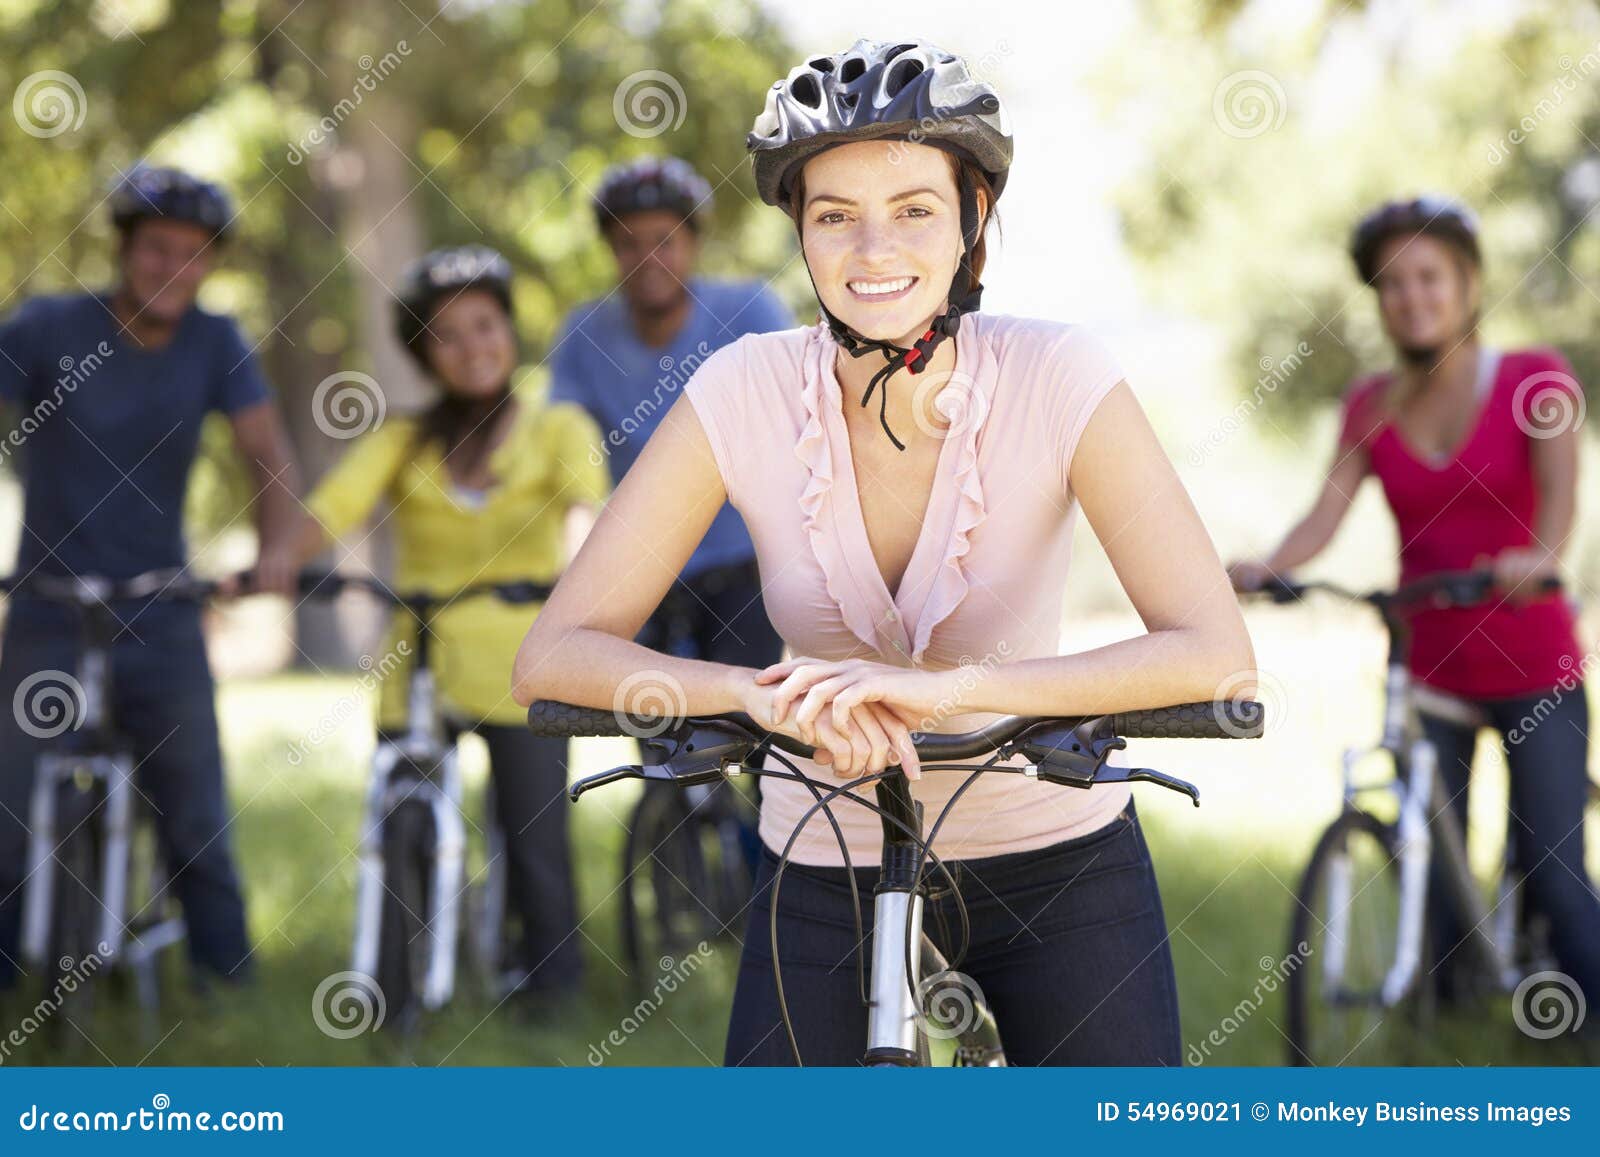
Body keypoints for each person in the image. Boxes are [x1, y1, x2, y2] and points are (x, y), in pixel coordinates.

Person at [514, 39, 1254, 1066]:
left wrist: (947, 691)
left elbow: (1213, 652)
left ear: (971, 222)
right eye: (833, 217)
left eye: (912, 208)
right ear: (800, 234)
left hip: (1054, 853)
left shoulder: (1057, 374)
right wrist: (752, 693)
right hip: (822, 857)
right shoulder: (742, 387)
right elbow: (554, 653)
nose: (872, 250)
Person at [1229, 195, 1600, 1017]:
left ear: (1468, 283)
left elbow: (1560, 510)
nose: (1411, 296)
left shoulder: (1537, 378)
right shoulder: (1371, 405)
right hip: (1426, 665)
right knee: (1430, 870)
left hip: (1533, 665)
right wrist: (1265, 567)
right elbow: (1322, 515)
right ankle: (1449, 1031)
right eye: (1391, 283)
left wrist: (1534, 559)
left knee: (1555, 874)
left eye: (1429, 276)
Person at [0, 164, 303, 992]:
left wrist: (277, 547)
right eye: (156, 249)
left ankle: (224, 986)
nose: (173, 267)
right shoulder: (47, 328)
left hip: (160, 609)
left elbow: (266, 455)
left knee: (196, 813)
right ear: (123, 250)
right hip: (49, 607)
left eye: (194, 254)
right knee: (8, 805)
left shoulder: (216, 342)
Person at [289, 245, 608, 1012]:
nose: (472, 347)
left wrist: (585, 584)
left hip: (523, 658)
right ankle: (400, 976)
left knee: (536, 838)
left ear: (510, 330)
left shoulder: (559, 425)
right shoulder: (403, 439)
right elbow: (332, 506)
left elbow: (587, 513)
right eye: (448, 334)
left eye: (485, 325)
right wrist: (268, 565)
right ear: (424, 352)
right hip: (420, 659)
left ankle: (551, 992)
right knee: (401, 812)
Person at [549, 155, 792, 669]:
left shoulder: (748, 309)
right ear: (609, 251)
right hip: (640, 565)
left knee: (747, 724)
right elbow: (561, 443)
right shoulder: (583, 333)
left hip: (745, 560)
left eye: (664, 241)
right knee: (655, 731)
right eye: (628, 245)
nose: (648, 260)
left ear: (693, 244)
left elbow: (800, 412)